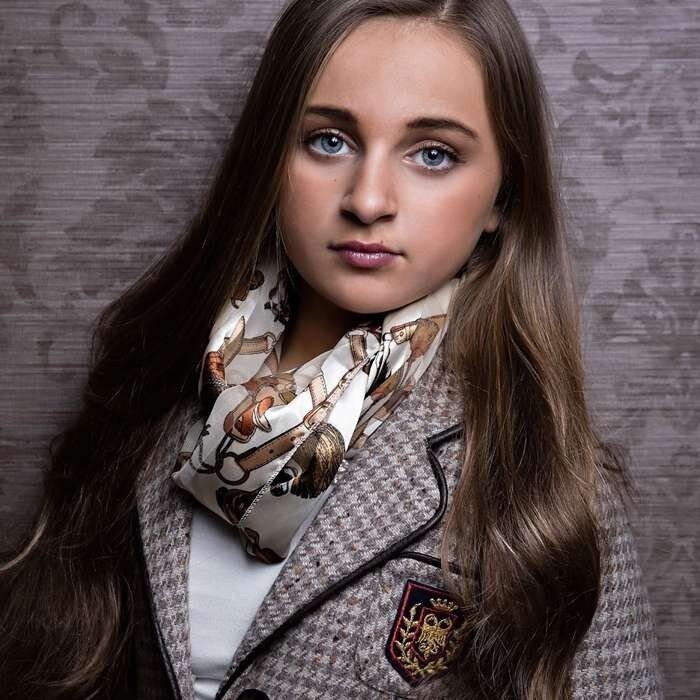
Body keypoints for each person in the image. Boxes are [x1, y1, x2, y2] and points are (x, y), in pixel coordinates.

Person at [0, 0, 662, 698]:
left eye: (433, 154)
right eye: (329, 141)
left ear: (503, 195)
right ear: (270, 156)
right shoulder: (154, 389)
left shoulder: (548, 477)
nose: (368, 200)